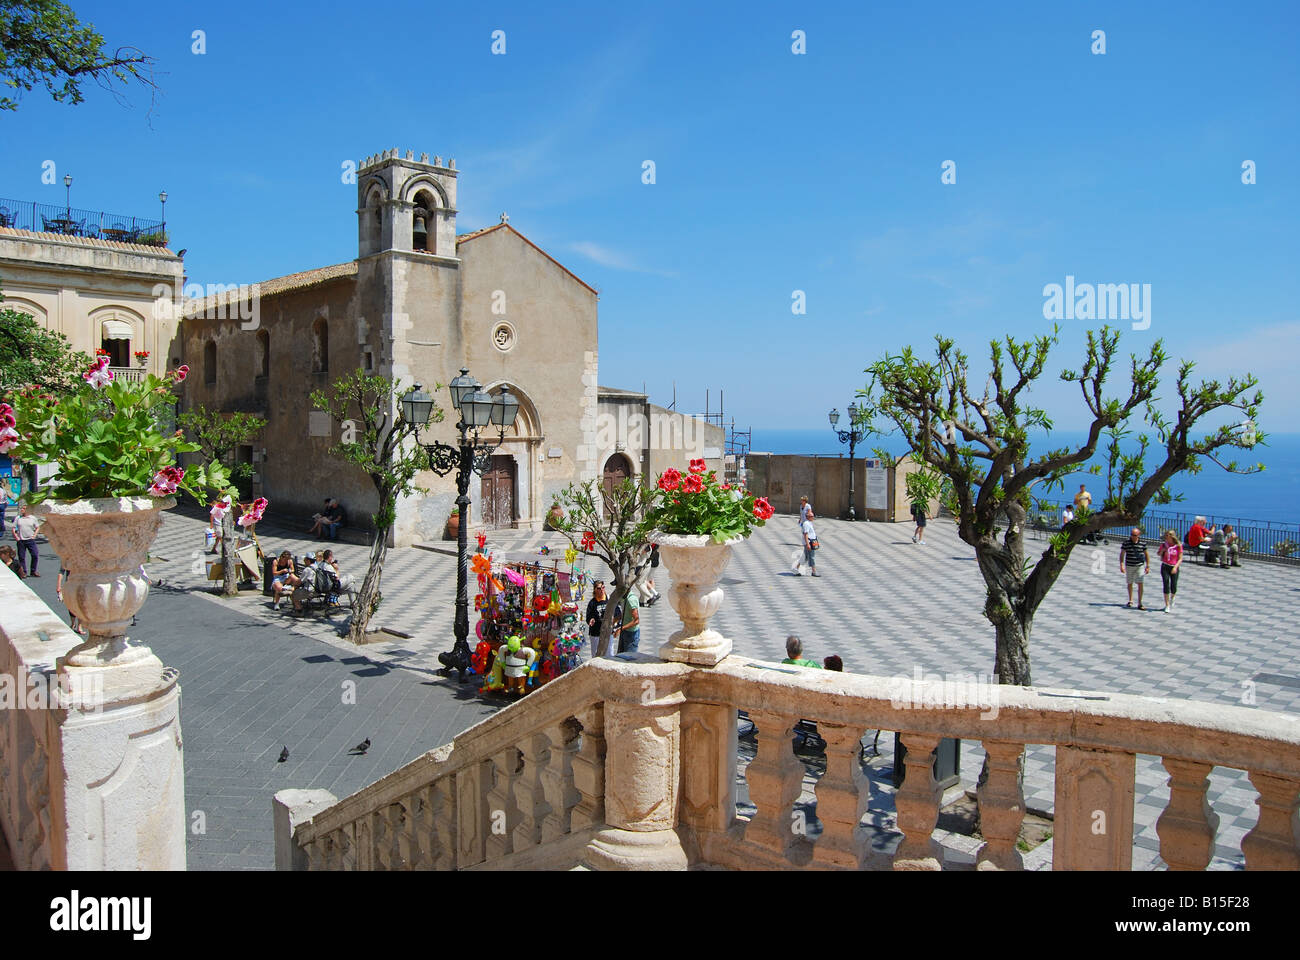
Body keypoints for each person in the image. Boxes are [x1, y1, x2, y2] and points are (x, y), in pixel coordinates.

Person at [1119, 527, 1150, 610]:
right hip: (1129, 565)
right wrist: (1121, 564)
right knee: (1130, 583)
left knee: (1140, 583)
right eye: (1132, 535)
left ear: (1138, 535)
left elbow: (1146, 554)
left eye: (1135, 535)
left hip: (1139, 565)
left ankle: (1140, 602)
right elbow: (1122, 554)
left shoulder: (1143, 543)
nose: (1133, 536)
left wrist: (1147, 566)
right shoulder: (1126, 543)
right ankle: (1130, 600)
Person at [1157, 529, 1183, 614]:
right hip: (1165, 566)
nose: (1167, 537)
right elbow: (1159, 554)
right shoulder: (1164, 545)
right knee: (1166, 583)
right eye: (1166, 535)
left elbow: (1180, 558)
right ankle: (1167, 604)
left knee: (1174, 585)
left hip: (1174, 566)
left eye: (1168, 535)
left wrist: (1175, 567)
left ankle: (1173, 597)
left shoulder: (1178, 546)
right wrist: (1163, 550)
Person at [56, 566, 86, 634]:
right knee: (71, 606)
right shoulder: (68, 557)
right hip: (70, 585)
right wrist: (58, 586)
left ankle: (79, 626)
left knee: (81, 606)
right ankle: (72, 623)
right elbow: (61, 571)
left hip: (82, 585)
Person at [12, 503, 40, 576]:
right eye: (22, 508)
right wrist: (16, 537)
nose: (22, 510)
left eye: (24, 508)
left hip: (30, 540)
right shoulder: (18, 518)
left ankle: (33, 571)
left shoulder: (33, 518)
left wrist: (34, 535)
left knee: (35, 555)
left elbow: (37, 527)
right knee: (21, 557)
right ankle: (23, 572)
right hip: (21, 540)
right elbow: (13, 528)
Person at [585, 580, 610, 657]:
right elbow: (588, 616)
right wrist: (591, 620)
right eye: (599, 588)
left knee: (609, 655)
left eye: (603, 587)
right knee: (595, 655)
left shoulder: (608, 599)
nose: (602, 590)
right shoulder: (592, 603)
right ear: (595, 590)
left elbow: (616, 612)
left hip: (607, 632)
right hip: (595, 633)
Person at [615, 587, 640, 654]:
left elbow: (636, 621)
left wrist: (621, 629)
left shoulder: (631, 600)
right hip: (625, 631)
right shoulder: (623, 598)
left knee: (629, 657)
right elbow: (625, 613)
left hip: (631, 634)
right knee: (621, 656)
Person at [799, 508, 820, 576]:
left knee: (805, 557)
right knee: (811, 557)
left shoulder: (809, 523)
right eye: (811, 516)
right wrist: (808, 544)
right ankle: (813, 572)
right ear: (808, 517)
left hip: (812, 542)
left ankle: (796, 569)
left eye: (813, 516)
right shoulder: (806, 524)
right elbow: (806, 534)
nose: (813, 517)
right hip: (809, 543)